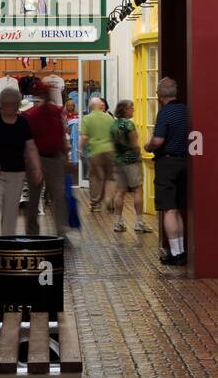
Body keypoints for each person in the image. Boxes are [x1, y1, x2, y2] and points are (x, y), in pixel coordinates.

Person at [0, 87, 42, 237]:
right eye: (6, 103)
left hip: (16, 173)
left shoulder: (23, 123)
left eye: (12, 103)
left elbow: (31, 148)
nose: (9, 106)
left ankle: (7, 241)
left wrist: (37, 168)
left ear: (17, 104)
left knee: (11, 210)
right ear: (1, 104)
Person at [145, 77, 189, 265]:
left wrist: (147, 146)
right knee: (177, 209)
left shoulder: (165, 113)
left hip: (167, 163)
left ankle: (175, 253)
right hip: (184, 161)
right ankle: (181, 250)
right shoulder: (185, 110)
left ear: (160, 95)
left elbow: (158, 141)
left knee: (169, 209)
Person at [25, 80, 69, 237]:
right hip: (41, 158)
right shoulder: (34, 115)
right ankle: (32, 232)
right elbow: (29, 142)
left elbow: (61, 134)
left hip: (54, 158)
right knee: (36, 197)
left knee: (57, 196)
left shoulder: (54, 112)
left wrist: (65, 155)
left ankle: (61, 232)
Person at [110, 101, 152, 235]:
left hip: (117, 161)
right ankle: (139, 222)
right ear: (125, 109)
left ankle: (118, 223)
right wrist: (140, 152)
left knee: (120, 192)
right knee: (138, 190)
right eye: (131, 108)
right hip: (131, 161)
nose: (133, 110)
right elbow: (134, 144)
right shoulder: (129, 124)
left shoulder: (113, 125)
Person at [80, 96, 115, 213]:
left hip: (95, 151)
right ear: (100, 106)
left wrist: (81, 149)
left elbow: (84, 137)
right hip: (110, 150)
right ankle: (109, 200)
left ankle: (96, 204)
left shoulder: (87, 118)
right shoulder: (109, 118)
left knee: (95, 178)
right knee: (110, 177)